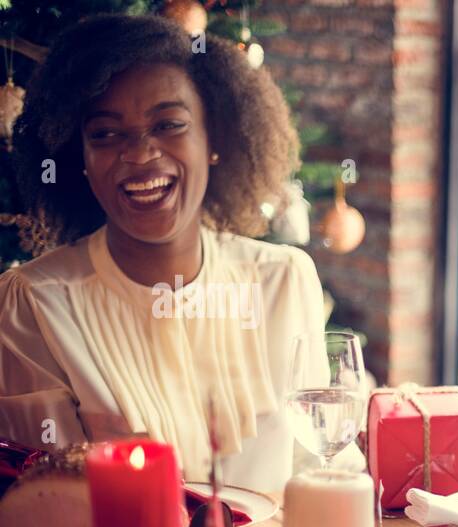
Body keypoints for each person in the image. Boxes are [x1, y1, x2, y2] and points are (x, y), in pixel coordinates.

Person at [0, 14, 323, 493]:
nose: (140, 154)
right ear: (79, 159)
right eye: (106, 134)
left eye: (169, 124)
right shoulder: (34, 304)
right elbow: (48, 504)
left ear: (214, 140)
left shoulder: (284, 281)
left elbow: (321, 472)